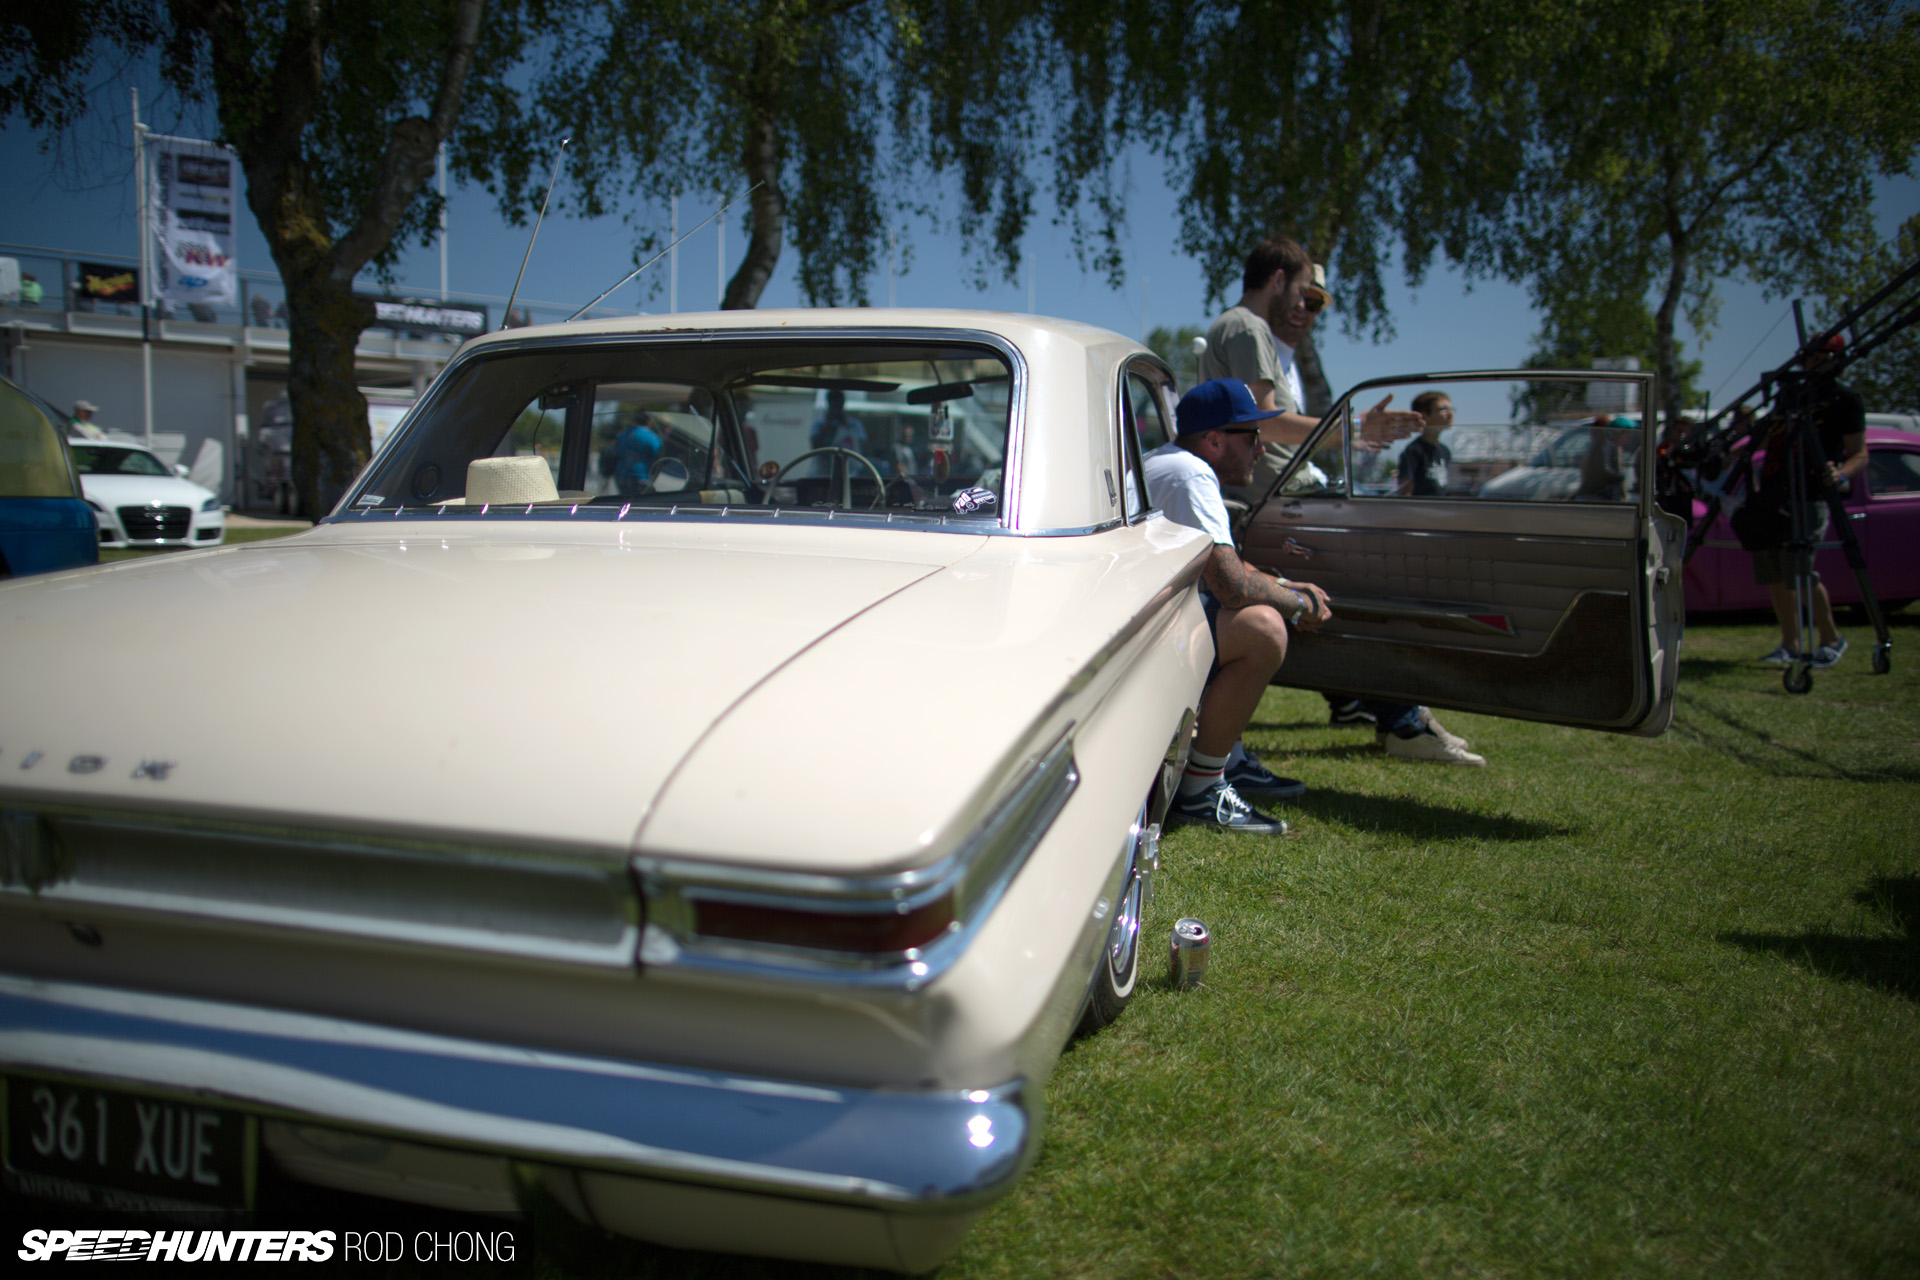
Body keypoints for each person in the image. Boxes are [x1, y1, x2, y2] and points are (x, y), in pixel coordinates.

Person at [1144, 378, 1333, 833]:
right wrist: (1298, 605)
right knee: (1263, 629)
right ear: (1214, 439)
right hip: (1148, 642)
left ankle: (1226, 757)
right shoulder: (1191, 473)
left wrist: (1284, 583)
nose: (1261, 450)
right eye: (1251, 437)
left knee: (1261, 610)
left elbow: (1224, 565)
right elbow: (1230, 587)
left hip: (1140, 626)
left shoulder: (1169, 462)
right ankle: (1202, 789)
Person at [1751, 336, 1867, 669]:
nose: (1811, 366)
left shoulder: (1845, 400)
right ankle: (1790, 644)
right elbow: (1767, 437)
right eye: (1808, 359)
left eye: (1820, 359)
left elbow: (1860, 455)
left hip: (1810, 495)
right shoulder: (1792, 397)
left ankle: (1832, 638)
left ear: (1835, 359)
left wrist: (1841, 474)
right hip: (1774, 494)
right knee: (1774, 572)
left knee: (1800, 571)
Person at [1399, 391, 1455, 496]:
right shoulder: (1413, 450)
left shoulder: (1445, 451)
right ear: (1425, 416)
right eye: (1444, 409)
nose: (1451, 414)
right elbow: (1405, 491)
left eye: (1451, 409)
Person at [1576, 415, 1633, 502]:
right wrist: (1619, 477)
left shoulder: (1595, 445)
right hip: (1598, 494)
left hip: (1594, 493)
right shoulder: (1603, 445)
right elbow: (1604, 469)